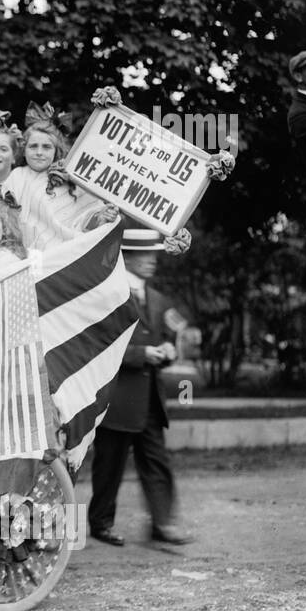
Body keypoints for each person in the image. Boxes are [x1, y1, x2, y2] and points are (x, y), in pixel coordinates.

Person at [88, 228, 191, 546]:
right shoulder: (109, 295)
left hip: (149, 400)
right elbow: (98, 347)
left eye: (153, 255)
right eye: (142, 256)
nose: (151, 262)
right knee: (110, 465)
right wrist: (141, 354)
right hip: (117, 397)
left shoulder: (159, 299)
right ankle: (101, 523)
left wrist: (168, 352)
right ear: (126, 258)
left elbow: (170, 335)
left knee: (157, 462)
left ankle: (163, 523)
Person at [0, 121, 121, 249]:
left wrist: (102, 216)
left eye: (46, 147)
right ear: (24, 150)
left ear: (56, 151)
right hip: (24, 253)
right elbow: (2, 214)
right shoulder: (16, 176)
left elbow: (87, 213)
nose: (39, 152)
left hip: (63, 251)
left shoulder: (69, 177)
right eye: (33, 146)